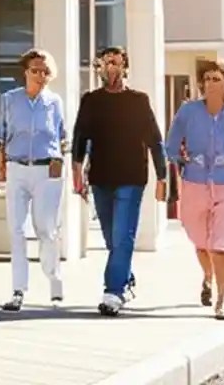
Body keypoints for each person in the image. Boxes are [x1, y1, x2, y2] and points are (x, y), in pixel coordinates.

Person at [71, 46, 167, 316]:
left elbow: (155, 140)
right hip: (101, 177)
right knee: (112, 239)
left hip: (131, 177)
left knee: (123, 236)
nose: (109, 67)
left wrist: (162, 176)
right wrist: (77, 171)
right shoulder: (91, 100)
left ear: (125, 67)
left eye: (115, 62)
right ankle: (125, 277)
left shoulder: (138, 100)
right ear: (98, 69)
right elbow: (80, 136)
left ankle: (113, 292)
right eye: (104, 63)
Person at [165, 59, 224, 321]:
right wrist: (182, 162)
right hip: (195, 183)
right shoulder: (188, 112)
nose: (211, 83)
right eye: (208, 79)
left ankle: (221, 301)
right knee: (201, 244)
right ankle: (207, 276)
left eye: (217, 79)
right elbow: (170, 145)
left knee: (222, 247)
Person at [0, 48, 68, 312]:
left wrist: (61, 161)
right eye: (35, 70)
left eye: (45, 71)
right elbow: (1, 135)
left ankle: (55, 282)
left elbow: (62, 135)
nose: (40, 75)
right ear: (25, 72)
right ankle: (18, 290)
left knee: (46, 228)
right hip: (17, 167)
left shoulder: (54, 102)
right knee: (16, 229)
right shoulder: (9, 99)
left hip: (46, 170)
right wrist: (1, 167)